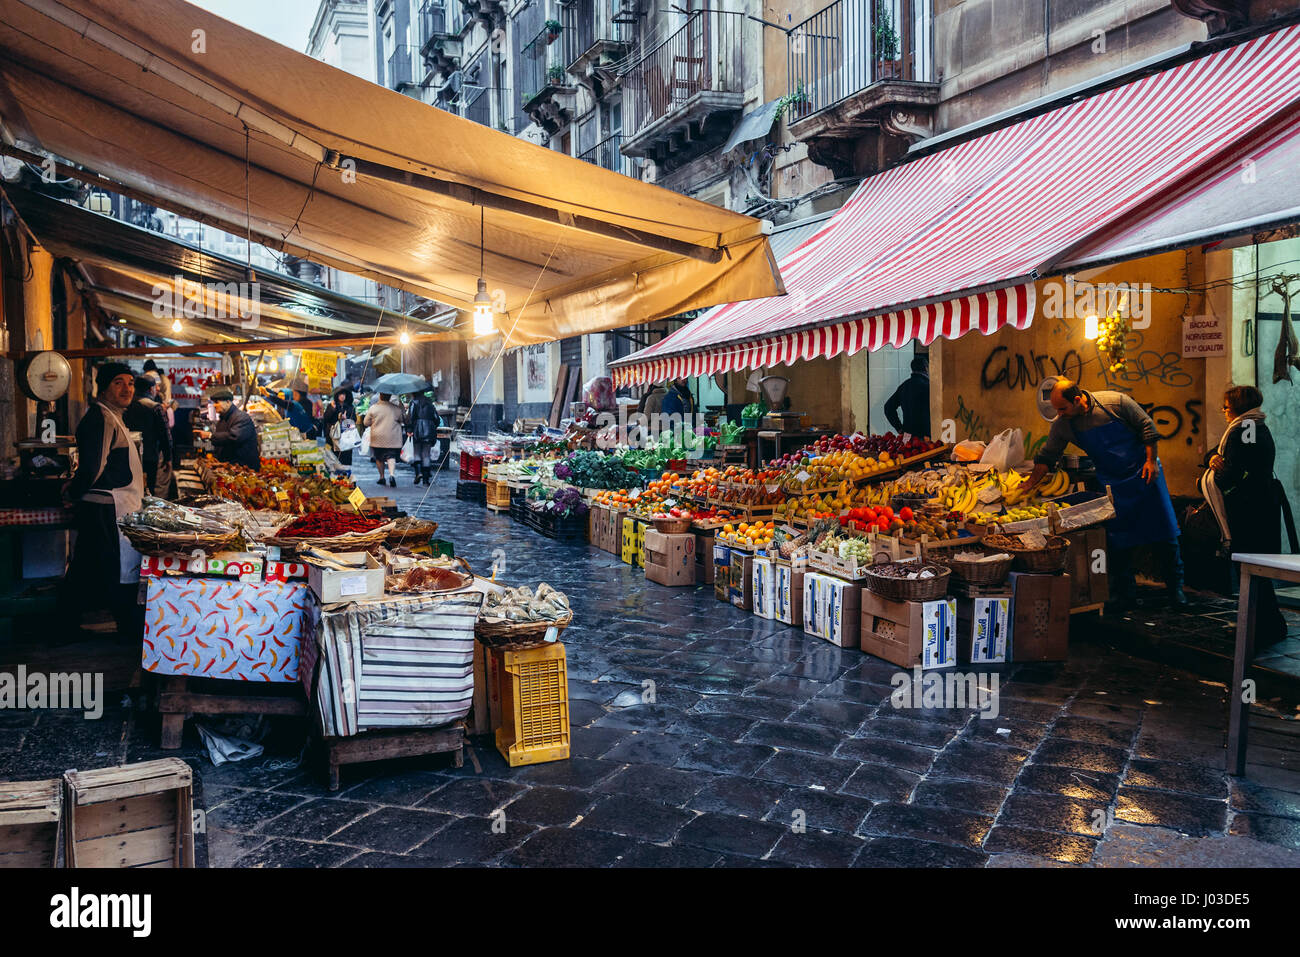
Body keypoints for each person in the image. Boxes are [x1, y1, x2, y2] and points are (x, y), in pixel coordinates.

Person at [1022, 379, 1184, 608]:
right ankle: (1126, 594)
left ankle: (1176, 589)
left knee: (1164, 533)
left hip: (1145, 474)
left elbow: (1147, 426)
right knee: (1118, 540)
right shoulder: (1063, 424)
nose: (1059, 414)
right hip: (1112, 483)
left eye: (1062, 408)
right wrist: (1029, 483)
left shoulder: (1115, 402)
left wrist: (1150, 461)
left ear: (1077, 400)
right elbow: (1048, 456)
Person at [1203, 385, 1292, 647]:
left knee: (1252, 570)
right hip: (1260, 508)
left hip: (1250, 511)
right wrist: (1213, 459)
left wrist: (1213, 476)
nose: (1224, 410)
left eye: (1227, 406)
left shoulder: (1246, 430)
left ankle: (1264, 627)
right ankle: (1264, 624)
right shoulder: (1250, 427)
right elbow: (1226, 458)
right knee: (1256, 571)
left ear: (1239, 407)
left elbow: (1236, 470)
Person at [64, 362, 146, 638]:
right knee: (110, 572)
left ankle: (70, 626)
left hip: (115, 509)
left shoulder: (114, 416)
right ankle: (124, 631)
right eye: (118, 383)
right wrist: (72, 493)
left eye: (130, 382)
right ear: (104, 387)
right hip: (107, 511)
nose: (127, 389)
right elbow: (92, 468)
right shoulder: (101, 418)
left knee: (93, 570)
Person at [123, 375, 173, 497]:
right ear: (151, 390)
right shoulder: (156, 407)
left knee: (130, 489)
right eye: (155, 386)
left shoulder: (126, 406)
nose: (157, 389)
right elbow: (165, 435)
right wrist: (168, 457)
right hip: (150, 457)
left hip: (128, 456)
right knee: (148, 489)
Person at [199, 388, 260, 470]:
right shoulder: (223, 419)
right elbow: (222, 442)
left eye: (217, 402)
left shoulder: (241, 417)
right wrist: (215, 457)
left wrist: (210, 435)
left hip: (244, 468)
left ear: (228, 402)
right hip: (229, 467)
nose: (214, 405)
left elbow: (234, 437)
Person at [884, 356, 932, 438]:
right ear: (926, 368)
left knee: (905, 451)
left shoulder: (904, 386)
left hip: (907, 435)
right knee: (930, 451)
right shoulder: (929, 386)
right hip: (926, 435)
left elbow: (888, 407)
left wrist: (899, 428)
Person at [364, 392, 404, 487]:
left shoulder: (374, 408)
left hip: (378, 437)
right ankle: (392, 475)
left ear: (380, 396)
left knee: (379, 457)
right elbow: (402, 419)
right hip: (392, 437)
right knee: (391, 456)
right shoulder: (396, 409)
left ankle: (382, 477)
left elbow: (366, 422)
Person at [405, 390, 441, 485]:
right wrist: (432, 426)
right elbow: (436, 418)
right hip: (429, 430)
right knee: (426, 454)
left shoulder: (413, 402)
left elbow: (411, 417)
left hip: (417, 429)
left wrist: (409, 429)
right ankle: (426, 480)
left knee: (417, 452)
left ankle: (418, 472)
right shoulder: (430, 403)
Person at [323, 387, 357, 467]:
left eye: (344, 394)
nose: (342, 396)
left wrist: (346, 419)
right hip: (333, 436)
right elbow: (326, 419)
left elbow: (353, 423)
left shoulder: (350, 407)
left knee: (345, 458)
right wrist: (333, 409)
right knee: (333, 456)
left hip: (346, 436)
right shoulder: (331, 405)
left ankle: (345, 473)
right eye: (340, 394)